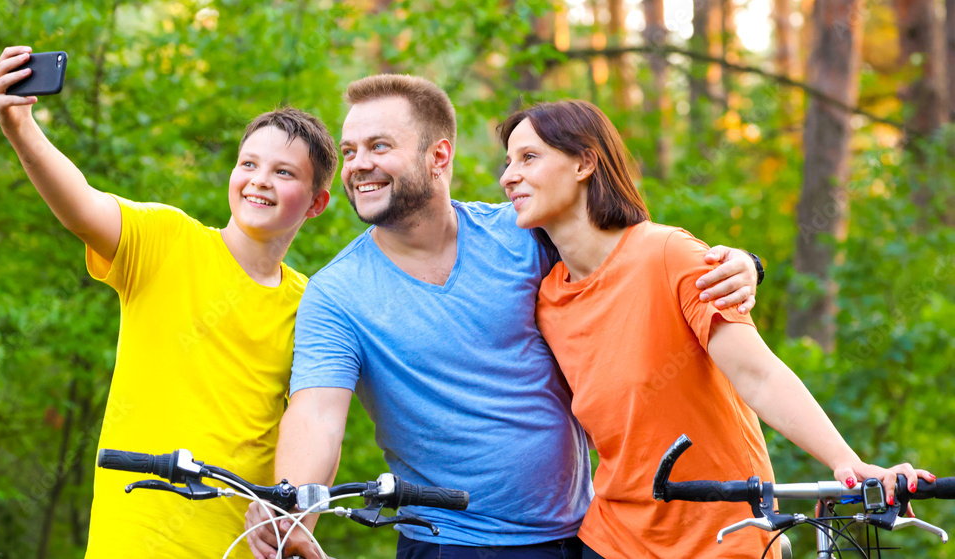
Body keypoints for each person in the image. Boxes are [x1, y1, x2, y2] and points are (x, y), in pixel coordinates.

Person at [244, 75, 761, 559]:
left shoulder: (523, 237)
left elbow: (633, 265)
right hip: (449, 541)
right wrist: (293, 503)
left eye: (379, 146)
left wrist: (740, 264)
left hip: (582, 533)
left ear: (438, 156)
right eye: (351, 150)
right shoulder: (337, 294)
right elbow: (316, 414)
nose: (358, 163)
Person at [496, 99, 935, 558]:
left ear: (585, 162)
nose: (509, 176)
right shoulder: (548, 298)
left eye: (529, 157)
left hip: (722, 536)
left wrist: (846, 461)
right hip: (612, 539)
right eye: (507, 162)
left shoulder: (666, 255)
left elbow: (758, 375)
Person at [0, 46, 337, 558]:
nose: (260, 179)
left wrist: (298, 513)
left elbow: (318, 424)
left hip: (239, 546)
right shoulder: (167, 239)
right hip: (135, 539)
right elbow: (81, 204)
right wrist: (20, 127)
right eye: (249, 164)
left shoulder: (313, 305)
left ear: (316, 203)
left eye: (284, 173)